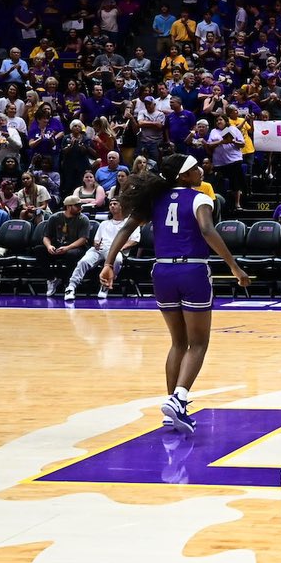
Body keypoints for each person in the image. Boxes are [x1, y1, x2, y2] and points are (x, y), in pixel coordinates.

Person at [102, 153, 252, 434]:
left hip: (162, 273)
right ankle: (180, 397)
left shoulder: (155, 200)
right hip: (192, 271)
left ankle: (172, 409)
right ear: (184, 176)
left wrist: (109, 263)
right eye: (195, 168)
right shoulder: (200, 198)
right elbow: (207, 230)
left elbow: (125, 228)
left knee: (177, 343)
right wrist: (234, 266)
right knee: (198, 344)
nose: (201, 171)